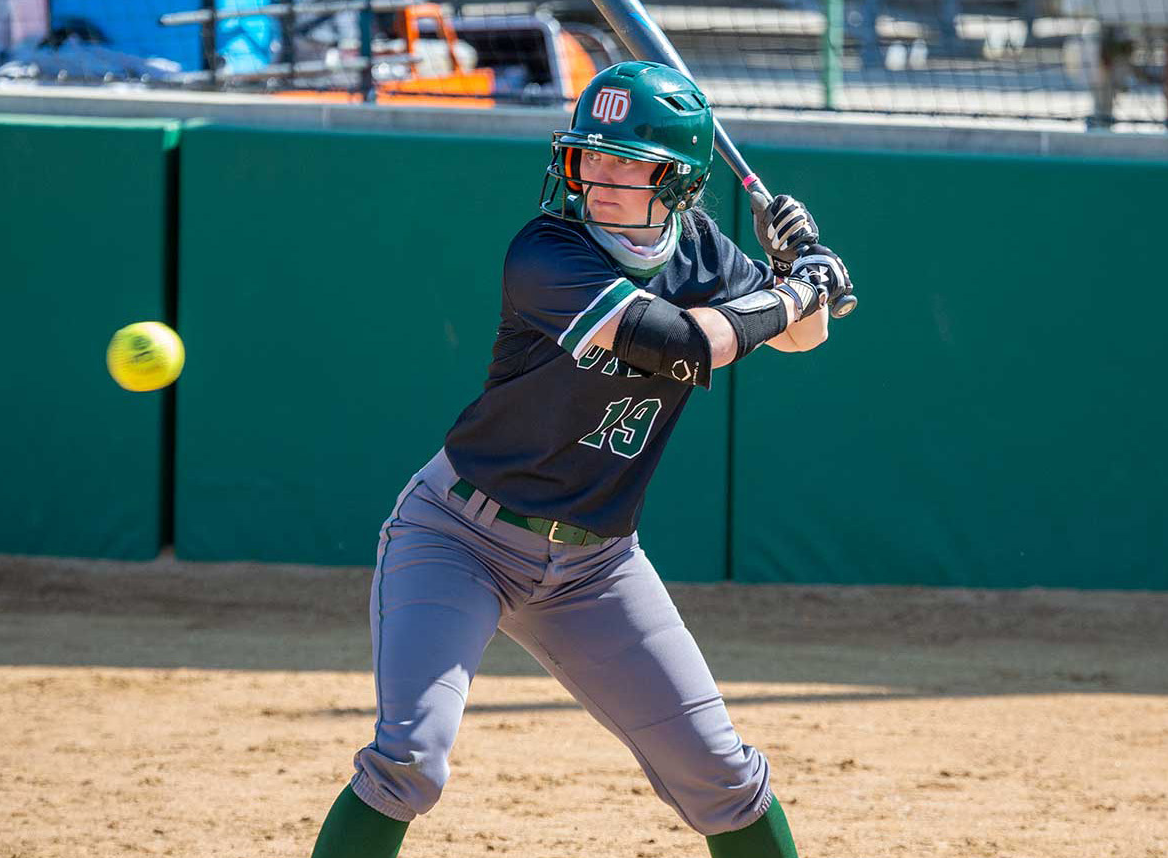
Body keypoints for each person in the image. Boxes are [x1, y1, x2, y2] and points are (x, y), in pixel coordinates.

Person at [309, 60, 855, 858]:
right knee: (410, 763)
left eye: (621, 160)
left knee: (724, 778)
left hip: (597, 565)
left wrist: (798, 265)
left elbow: (804, 335)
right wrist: (798, 291)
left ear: (674, 181)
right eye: (586, 154)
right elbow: (682, 344)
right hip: (459, 539)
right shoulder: (547, 253)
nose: (592, 176)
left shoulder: (701, 251)